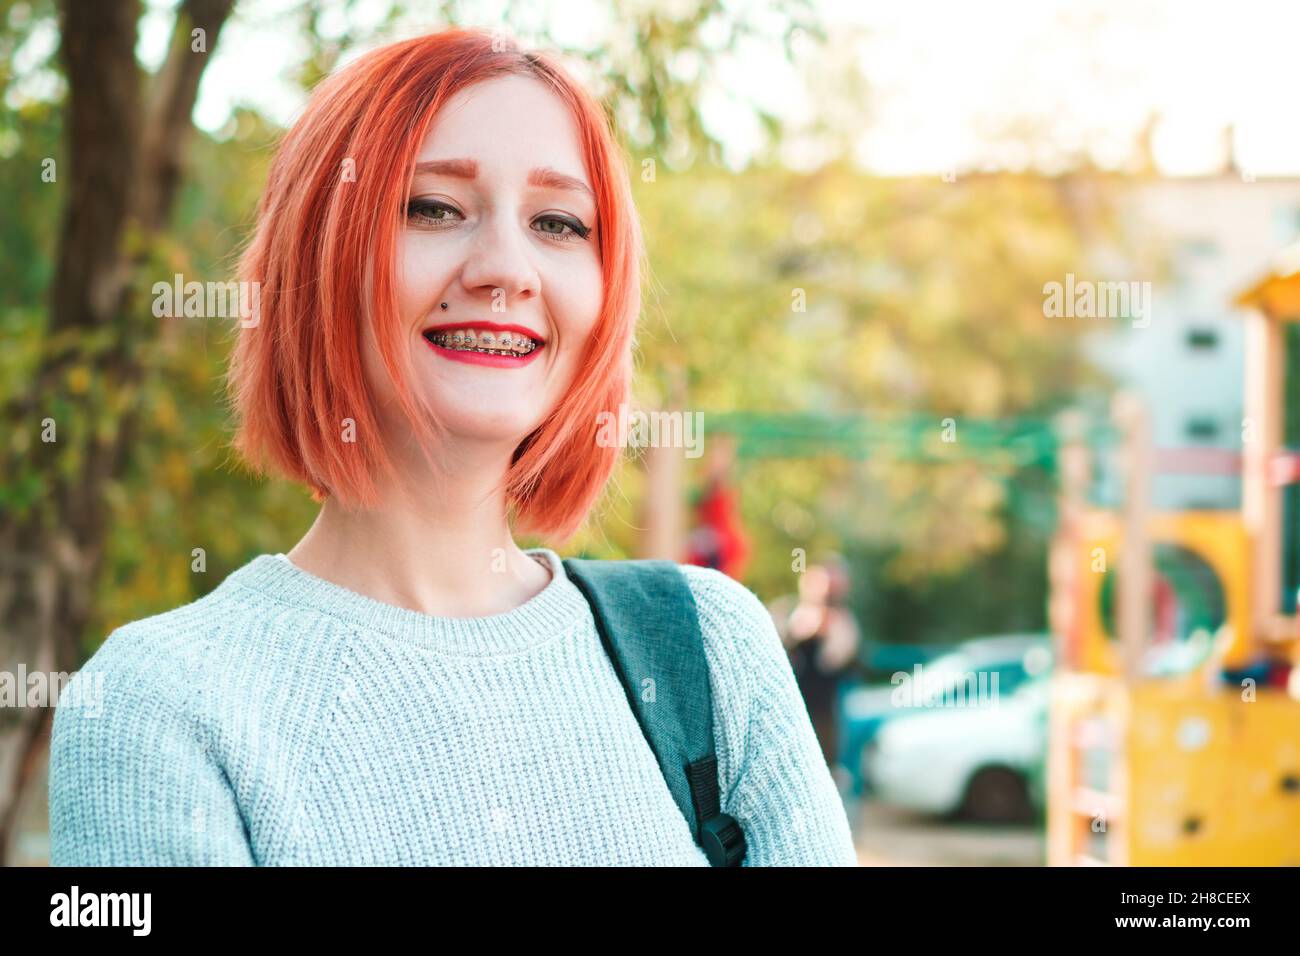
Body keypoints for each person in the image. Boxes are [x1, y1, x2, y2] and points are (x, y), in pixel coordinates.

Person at [46, 28, 856, 867]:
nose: (507, 268)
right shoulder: (158, 704)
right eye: (434, 207)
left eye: (558, 221)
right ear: (316, 257)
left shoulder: (709, 649)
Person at [777, 557, 861, 788]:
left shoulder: (841, 621)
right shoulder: (792, 614)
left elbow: (838, 661)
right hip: (796, 702)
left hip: (825, 705)